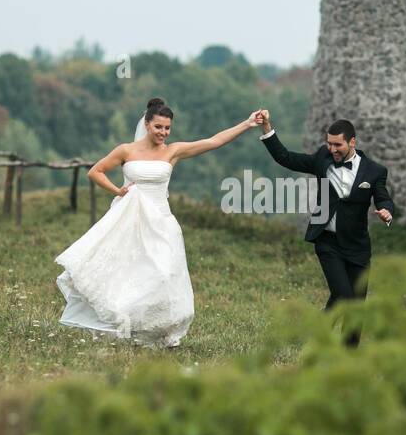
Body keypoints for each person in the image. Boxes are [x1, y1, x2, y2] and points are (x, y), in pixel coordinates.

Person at [54, 97, 260, 348]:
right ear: (147, 124)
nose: (163, 132)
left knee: (164, 274)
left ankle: (163, 331)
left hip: (161, 221)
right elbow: (95, 172)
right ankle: (127, 324)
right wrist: (118, 191)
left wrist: (247, 124)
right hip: (131, 220)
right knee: (130, 273)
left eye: (167, 128)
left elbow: (213, 141)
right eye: (158, 127)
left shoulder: (173, 151)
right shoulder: (126, 150)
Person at [254, 110, 395, 347]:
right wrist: (266, 127)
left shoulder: (375, 171)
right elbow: (286, 157)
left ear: (352, 142)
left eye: (337, 144)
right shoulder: (323, 159)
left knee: (356, 309)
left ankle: (347, 357)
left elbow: (383, 198)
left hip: (358, 247)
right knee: (345, 297)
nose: (332, 149)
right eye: (329, 144)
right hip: (328, 242)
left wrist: (386, 212)